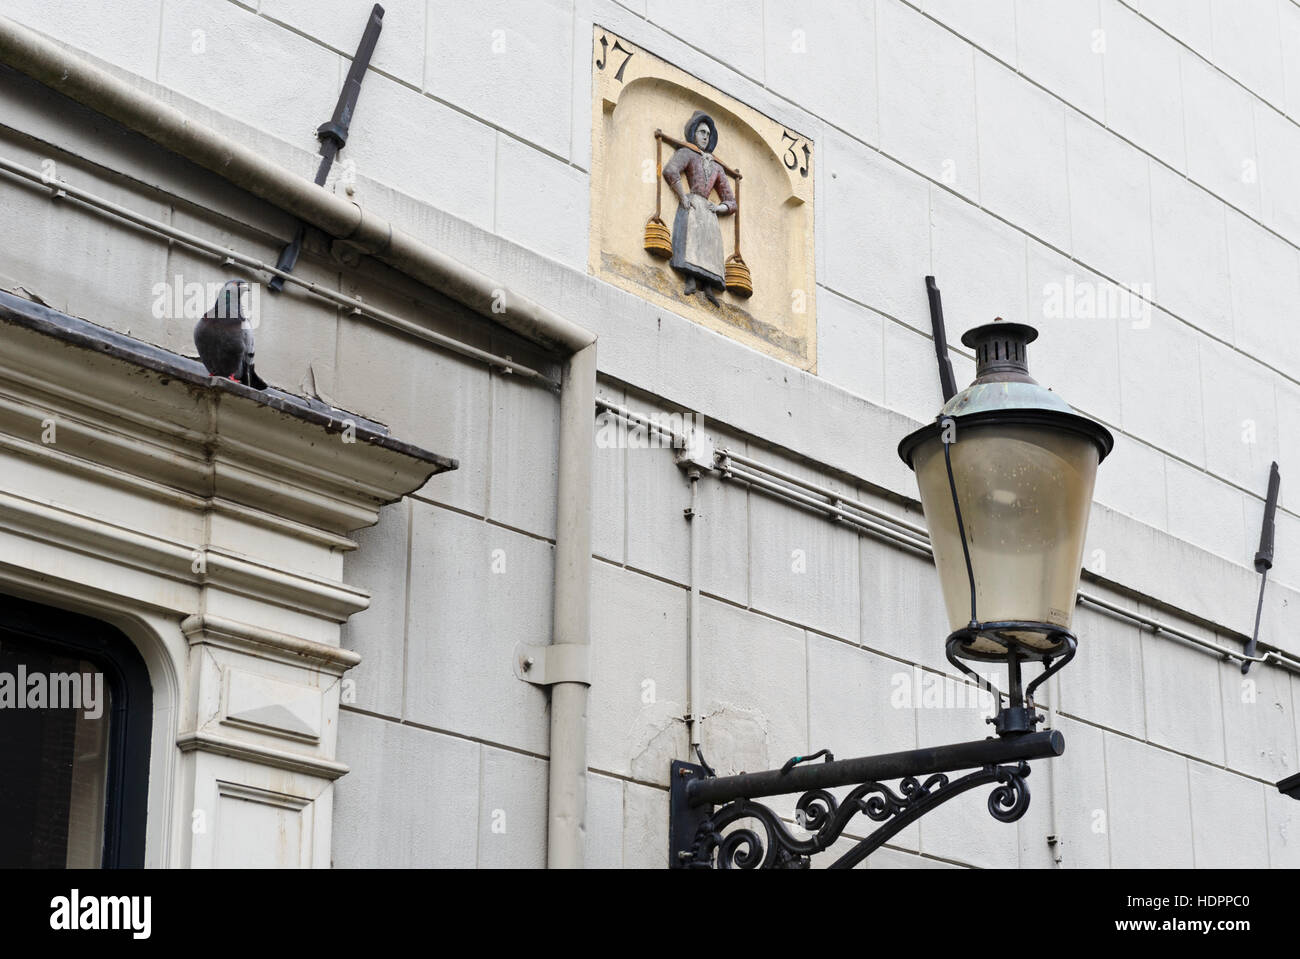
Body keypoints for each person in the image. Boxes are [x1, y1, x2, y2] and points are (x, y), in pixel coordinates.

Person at [662, 111, 736, 305]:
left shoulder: (716, 167)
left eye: (708, 134)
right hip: (692, 204)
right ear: (693, 133)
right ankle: (690, 279)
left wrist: (718, 208)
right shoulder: (687, 153)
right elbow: (670, 170)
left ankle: (709, 286)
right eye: (702, 132)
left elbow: (730, 200)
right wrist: (682, 195)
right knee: (691, 242)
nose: (705, 136)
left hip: (709, 212)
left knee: (709, 248)